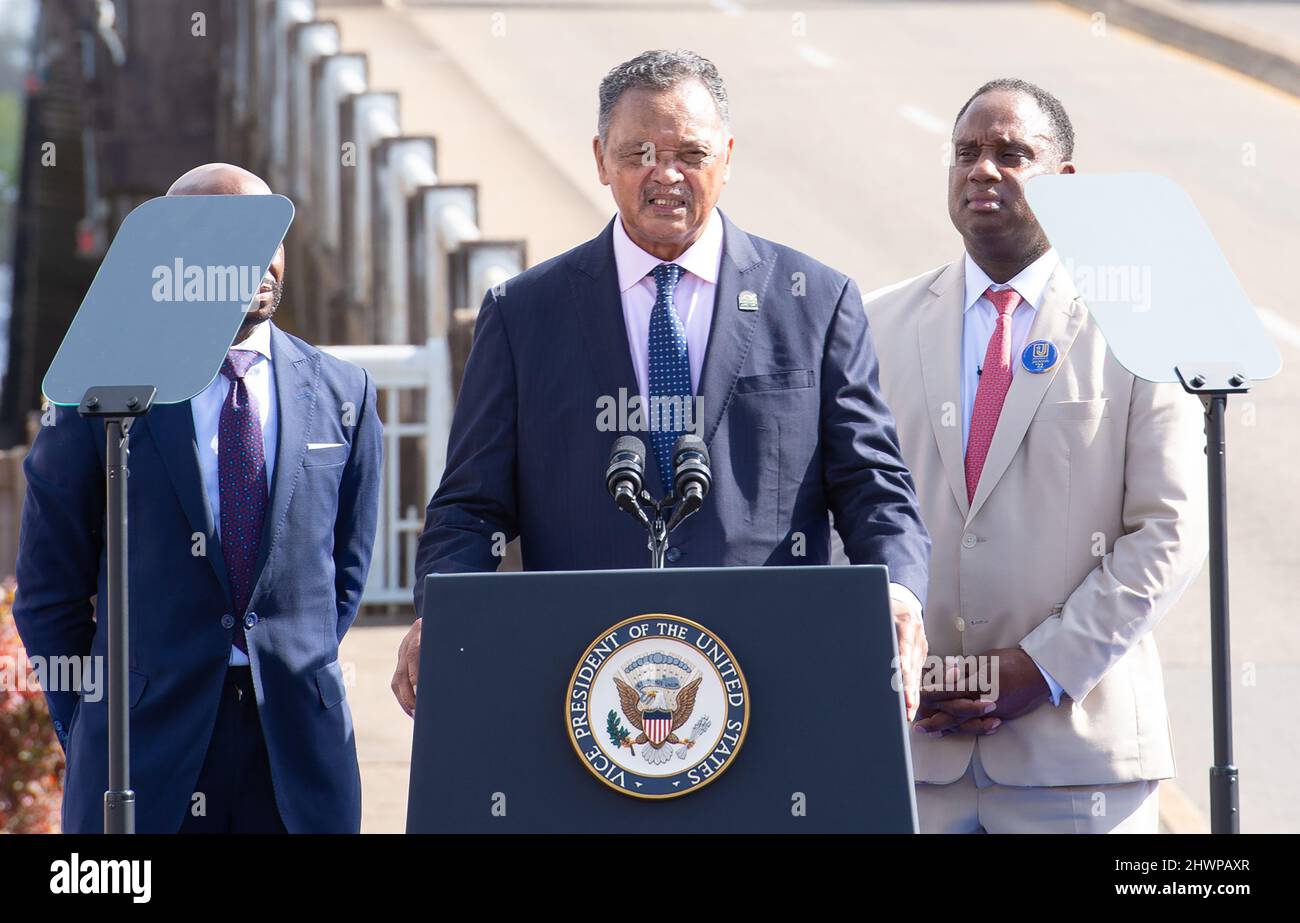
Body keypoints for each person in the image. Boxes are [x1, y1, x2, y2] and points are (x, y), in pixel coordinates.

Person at [393, 49, 931, 720]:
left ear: (728, 157)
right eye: (639, 153)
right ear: (599, 158)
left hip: (771, 680)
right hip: (581, 687)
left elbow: (872, 484)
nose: (665, 176)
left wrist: (899, 595)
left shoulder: (815, 301)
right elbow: (469, 508)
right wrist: (444, 610)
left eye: (691, 154)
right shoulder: (524, 314)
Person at [865, 79, 1206, 833]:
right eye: (966, 153)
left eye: (1012, 154)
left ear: (1067, 184)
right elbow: (841, 511)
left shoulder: (1138, 327)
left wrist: (1042, 666)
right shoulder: (873, 321)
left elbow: (1168, 532)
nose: (982, 169)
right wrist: (888, 656)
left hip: (1078, 768)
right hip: (913, 756)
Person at [13, 163, 382, 833]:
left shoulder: (344, 392)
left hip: (298, 759)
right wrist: (96, 723)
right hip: (143, 760)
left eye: (268, 233)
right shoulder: (100, 392)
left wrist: (283, 666)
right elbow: (47, 593)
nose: (256, 258)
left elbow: (342, 574)